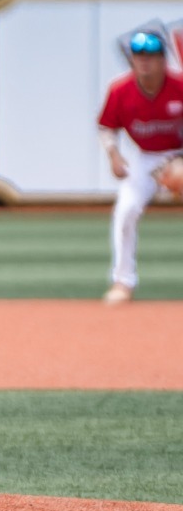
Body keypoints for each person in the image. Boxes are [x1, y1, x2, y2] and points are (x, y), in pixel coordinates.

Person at [98, 27, 183, 304]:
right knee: (126, 210)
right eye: (139, 56)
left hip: (179, 153)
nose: (144, 61)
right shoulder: (121, 90)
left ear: (163, 59)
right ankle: (123, 282)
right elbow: (107, 126)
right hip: (146, 158)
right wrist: (114, 155)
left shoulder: (179, 86)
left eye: (151, 55)